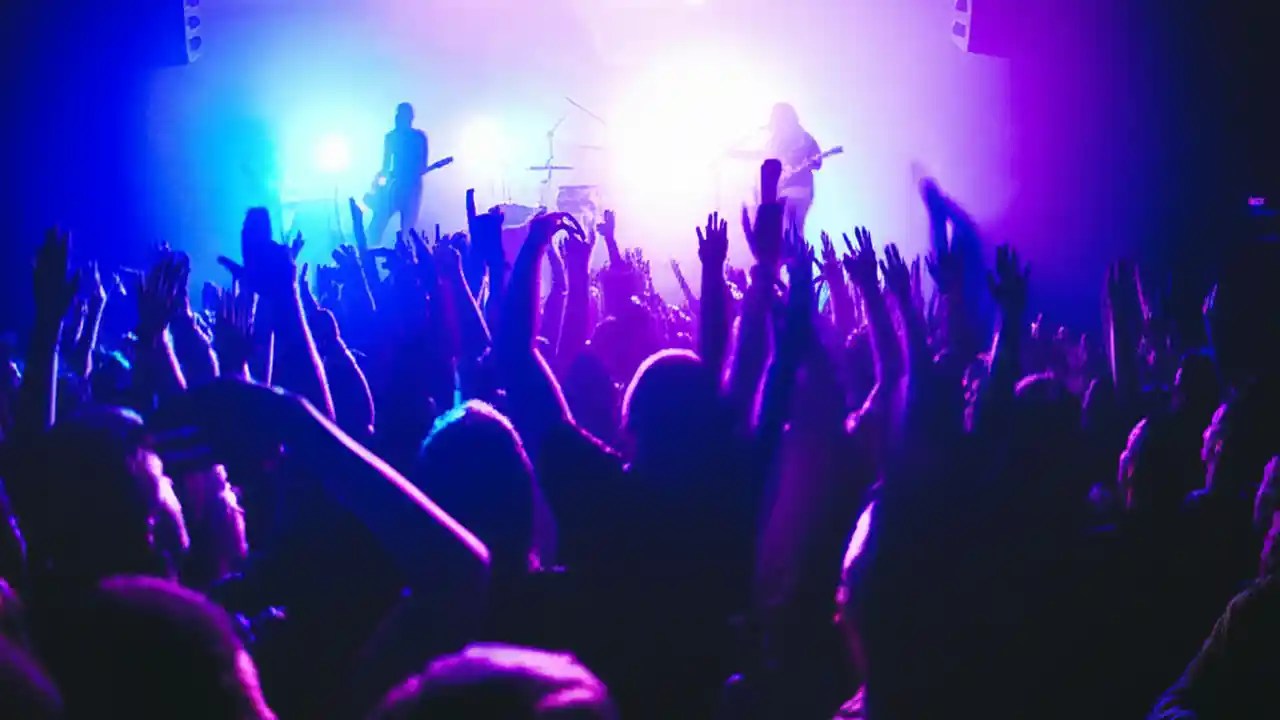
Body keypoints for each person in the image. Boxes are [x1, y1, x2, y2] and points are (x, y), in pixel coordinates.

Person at [368, 102, 430, 245]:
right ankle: (370, 249)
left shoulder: (417, 137)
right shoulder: (393, 137)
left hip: (410, 186)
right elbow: (386, 164)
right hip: (395, 186)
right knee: (377, 225)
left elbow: (422, 164)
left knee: (407, 230)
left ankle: (405, 256)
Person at [766, 102, 824, 239]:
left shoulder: (803, 138)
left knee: (790, 230)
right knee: (792, 231)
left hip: (797, 190)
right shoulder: (778, 140)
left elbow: (817, 162)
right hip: (789, 190)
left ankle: (796, 256)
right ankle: (798, 256)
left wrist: (802, 163)